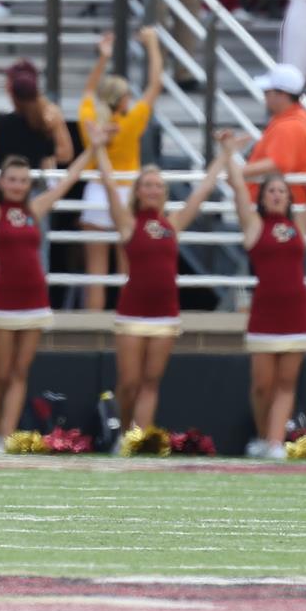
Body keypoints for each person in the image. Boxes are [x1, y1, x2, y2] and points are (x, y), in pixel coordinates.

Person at [0, 128, 102, 450]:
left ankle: (4, 437)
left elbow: (68, 180)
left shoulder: (35, 209)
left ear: (28, 184)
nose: (17, 185)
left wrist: (94, 147)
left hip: (35, 299)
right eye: (12, 179)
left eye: (22, 180)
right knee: (1, 372)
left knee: (19, 372)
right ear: (2, 182)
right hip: (3, 301)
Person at [226, 127, 306, 460]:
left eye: (282, 191)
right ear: (263, 197)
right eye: (272, 191)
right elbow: (238, 188)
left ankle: (274, 441)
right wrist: (228, 153)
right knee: (262, 384)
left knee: (285, 382)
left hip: (296, 312)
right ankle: (262, 434)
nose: (278, 195)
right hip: (264, 313)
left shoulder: (299, 225)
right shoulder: (254, 226)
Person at [96, 139, 230, 430]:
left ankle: (140, 437)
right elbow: (108, 186)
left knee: (151, 381)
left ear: (164, 193)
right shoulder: (128, 223)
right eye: (147, 185)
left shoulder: (174, 223)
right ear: (138, 192)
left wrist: (224, 156)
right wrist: (98, 149)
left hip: (165, 312)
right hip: (132, 311)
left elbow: (203, 190)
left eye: (158, 185)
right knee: (129, 382)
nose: (153, 190)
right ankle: (124, 426)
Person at [77, 30, 161, 313]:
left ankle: (92, 330)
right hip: (126, 193)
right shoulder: (131, 120)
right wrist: (152, 45)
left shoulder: (90, 118)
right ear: (122, 100)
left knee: (95, 273)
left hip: (97, 191)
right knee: (128, 269)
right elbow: (155, 84)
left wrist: (103, 59)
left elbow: (88, 91)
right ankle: (129, 320)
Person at [242, 64, 306, 204]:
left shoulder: (290, 125)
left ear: (282, 94)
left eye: (267, 93)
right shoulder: (291, 120)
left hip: (278, 214)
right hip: (276, 209)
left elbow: (278, 163)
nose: (265, 98)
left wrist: (237, 172)